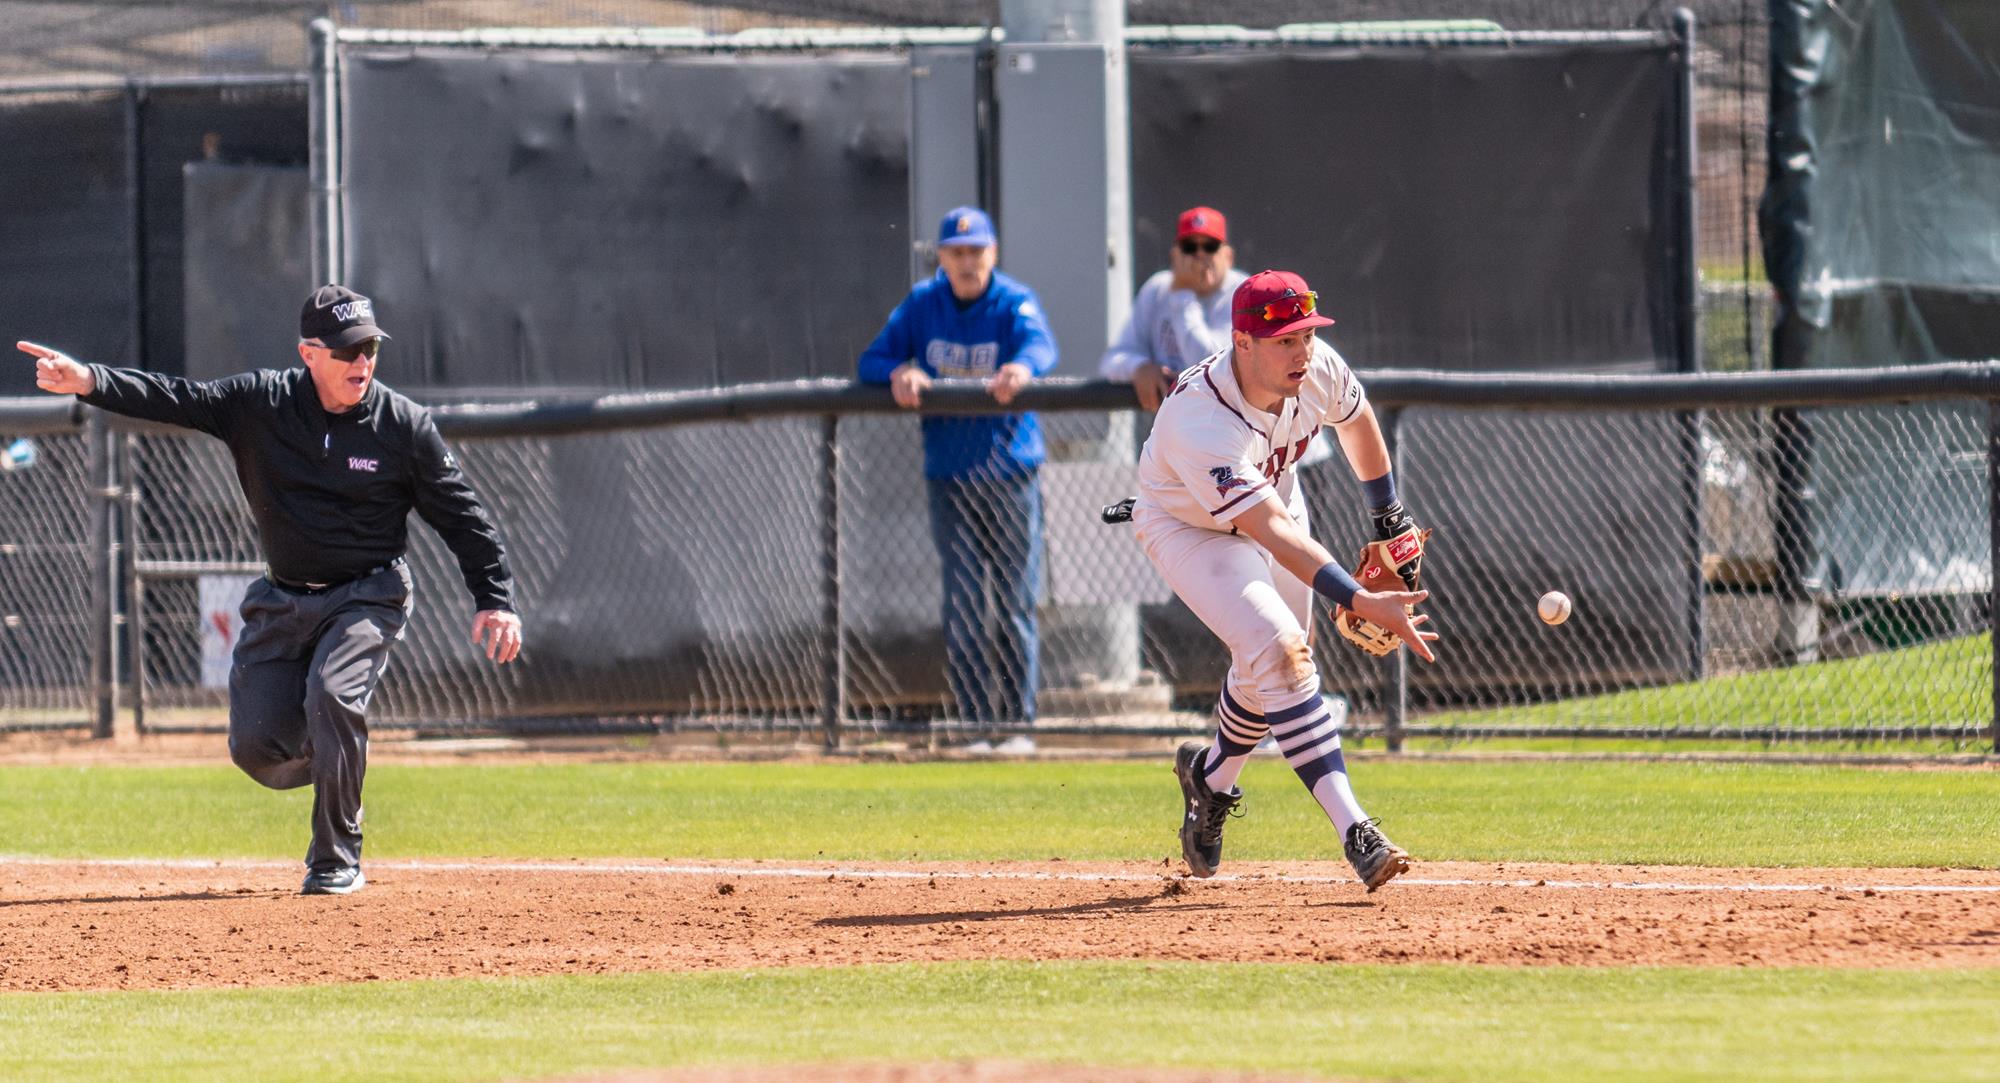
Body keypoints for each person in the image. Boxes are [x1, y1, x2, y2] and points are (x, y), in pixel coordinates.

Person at [18, 284, 523, 895]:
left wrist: (495, 598)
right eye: (345, 351)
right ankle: (342, 754)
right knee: (256, 748)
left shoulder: (402, 427)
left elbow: (463, 518)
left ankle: (337, 857)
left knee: (332, 694)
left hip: (368, 593)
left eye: (369, 348)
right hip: (282, 599)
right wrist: (90, 379)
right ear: (309, 353)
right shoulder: (262, 403)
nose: (361, 362)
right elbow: (179, 398)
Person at [1131, 269, 1436, 891]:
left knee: (1273, 668)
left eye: (1307, 334)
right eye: (1285, 340)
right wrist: (1361, 599)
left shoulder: (1314, 367)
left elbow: (1357, 420)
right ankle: (1358, 832)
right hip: (1193, 531)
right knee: (1277, 650)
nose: (1303, 350)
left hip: (1275, 506)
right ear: (1243, 343)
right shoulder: (1201, 418)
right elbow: (1268, 530)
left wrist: (1389, 516)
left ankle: (1210, 781)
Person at [858, 206, 1058, 750]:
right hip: (950, 477)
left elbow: (1041, 345)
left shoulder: (1011, 299)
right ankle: (974, 724)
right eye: (957, 252)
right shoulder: (924, 303)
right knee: (964, 603)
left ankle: (1017, 726)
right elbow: (870, 361)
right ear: (941, 257)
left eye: (976, 251)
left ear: (993, 253)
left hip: (1011, 473)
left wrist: (1023, 367)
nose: (967, 261)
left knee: (1015, 601)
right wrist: (898, 369)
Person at [1100, 206, 1249, 412]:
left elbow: (1212, 368)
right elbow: (1112, 361)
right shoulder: (1158, 290)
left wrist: (1182, 295)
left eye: (1210, 246)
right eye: (1189, 247)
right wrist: (1139, 368)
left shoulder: (1243, 293)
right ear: (1174, 256)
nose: (1199, 255)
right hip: (1175, 431)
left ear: (1228, 257)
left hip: (1228, 422)